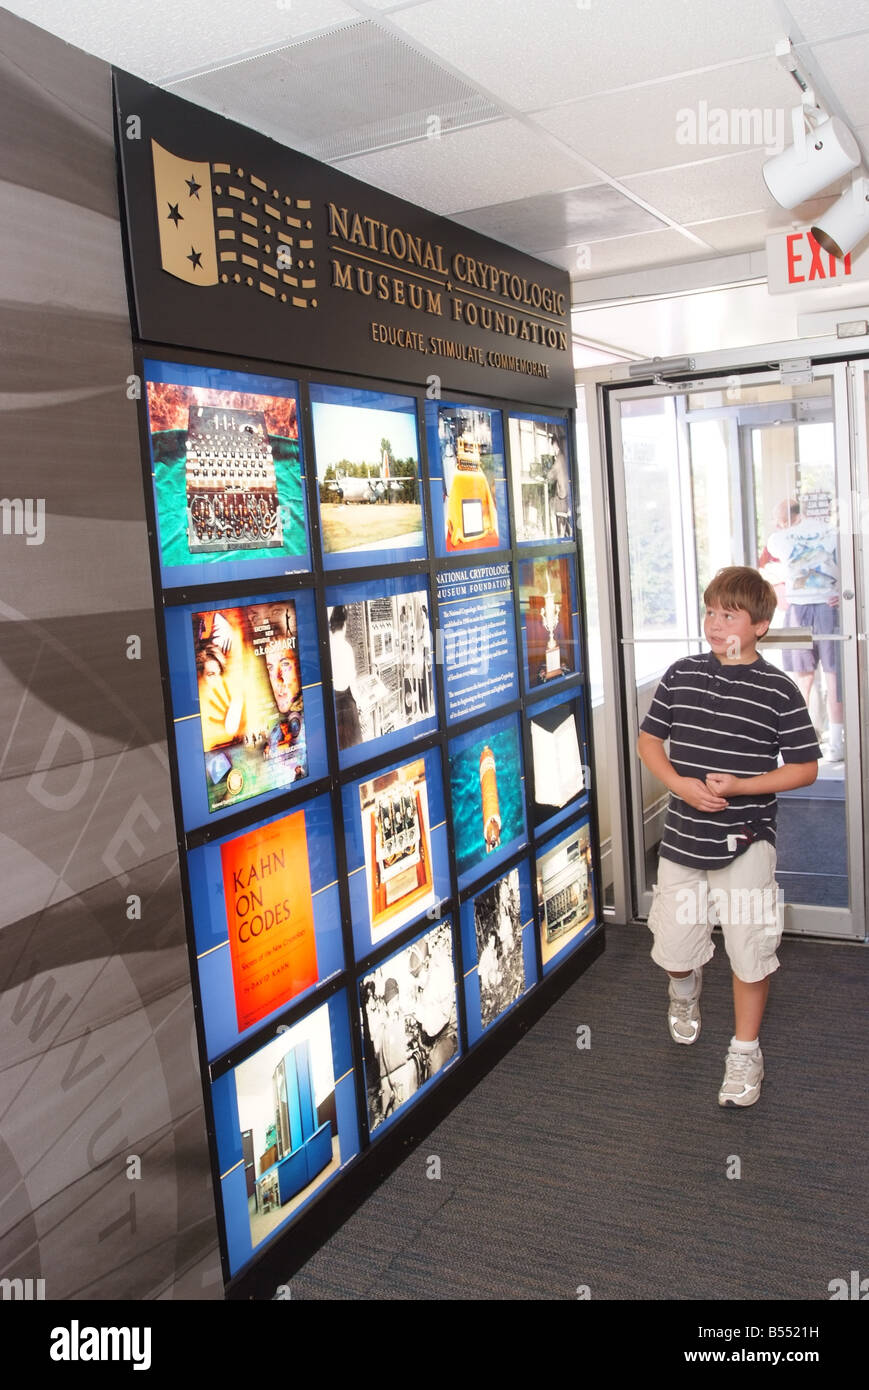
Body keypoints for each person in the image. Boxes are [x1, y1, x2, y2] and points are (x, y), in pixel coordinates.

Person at [637, 566, 819, 1107]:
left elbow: (805, 767)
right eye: (710, 612)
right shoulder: (681, 674)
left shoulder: (778, 689)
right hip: (685, 836)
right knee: (673, 948)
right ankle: (684, 988)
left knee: (748, 950)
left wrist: (743, 786)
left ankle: (744, 1051)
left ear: (760, 625)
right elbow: (649, 741)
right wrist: (679, 786)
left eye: (729, 615)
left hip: (748, 837)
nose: (715, 625)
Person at [760, 496, 843, 761]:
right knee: (833, 676)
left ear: (785, 519)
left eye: (778, 519)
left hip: (798, 609)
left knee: (802, 679)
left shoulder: (778, 538)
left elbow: (764, 565)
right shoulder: (830, 533)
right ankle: (837, 743)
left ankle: (801, 745)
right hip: (825, 605)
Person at [328, 605, 363, 748]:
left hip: (332, 705)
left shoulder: (327, 646)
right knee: (352, 745)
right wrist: (360, 703)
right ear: (344, 624)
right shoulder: (346, 648)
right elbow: (352, 683)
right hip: (347, 706)